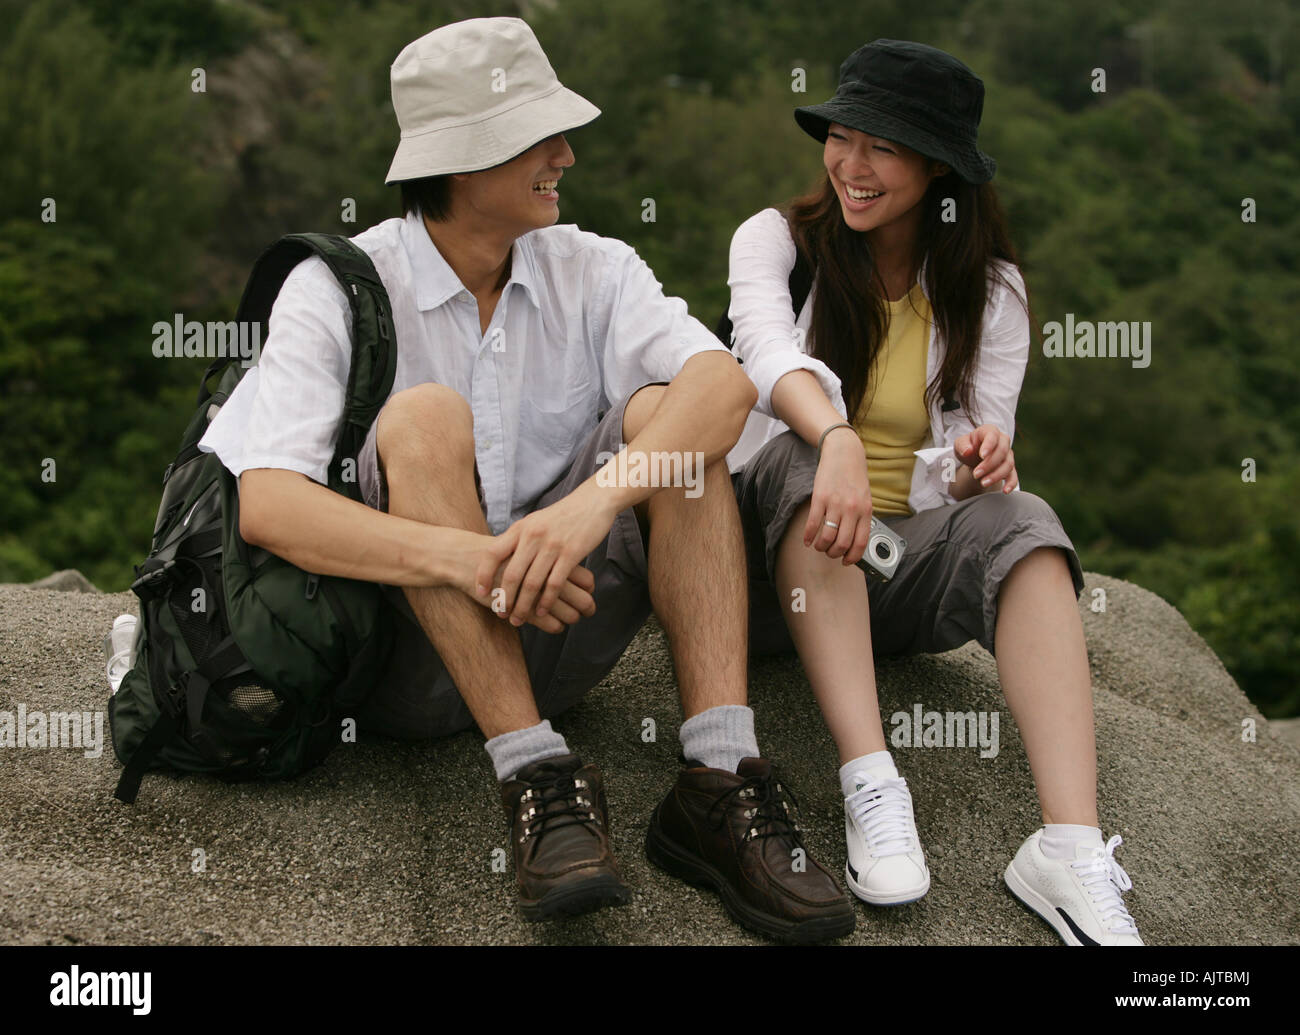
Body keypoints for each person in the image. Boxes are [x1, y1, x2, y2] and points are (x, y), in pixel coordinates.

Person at [198, 17, 855, 943]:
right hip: (411, 658)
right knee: (423, 418)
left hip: (569, 621)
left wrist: (587, 509)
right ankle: (533, 771)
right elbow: (269, 504)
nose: (567, 154)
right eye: (539, 139)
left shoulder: (592, 267)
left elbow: (727, 385)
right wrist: (474, 563)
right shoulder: (338, 286)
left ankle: (716, 777)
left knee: (671, 417)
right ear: (464, 160)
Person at [724, 39, 1144, 945]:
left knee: (1025, 520)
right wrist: (833, 435)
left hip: (885, 569)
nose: (852, 165)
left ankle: (1067, 848)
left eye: (883, 145)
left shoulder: (990, 292)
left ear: (940, 167)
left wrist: (978, 464)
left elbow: (958, 472)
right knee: (802, 451)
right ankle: (873, 783)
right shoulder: (778, 243)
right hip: (764, 576)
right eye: (842, 137)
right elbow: (763, 356)